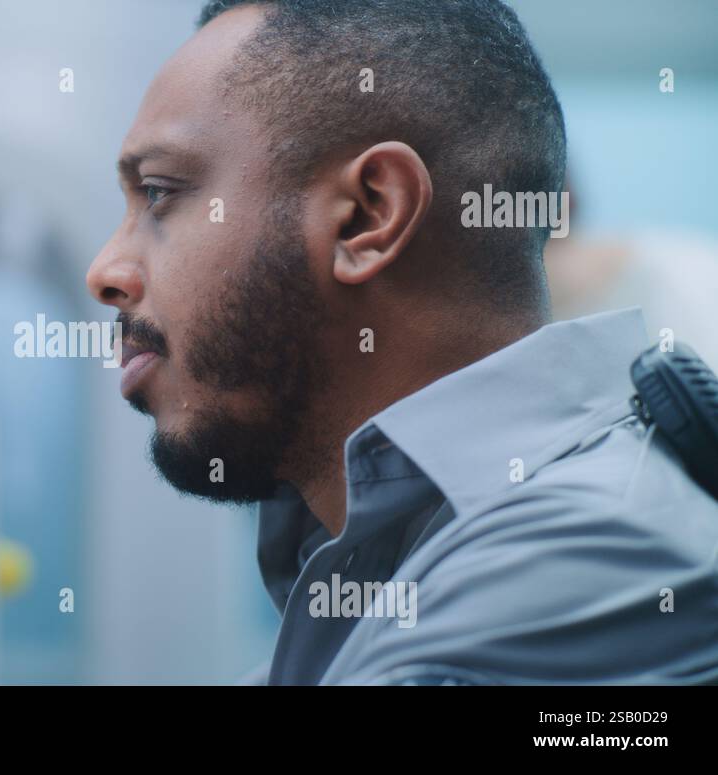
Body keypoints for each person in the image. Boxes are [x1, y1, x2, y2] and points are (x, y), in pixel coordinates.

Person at [85, 0, 718, 685]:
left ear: (368, 215)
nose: (105, 272)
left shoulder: (585, 559)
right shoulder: (400, 562)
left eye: (159, 193)